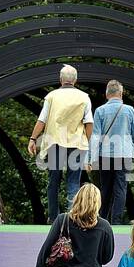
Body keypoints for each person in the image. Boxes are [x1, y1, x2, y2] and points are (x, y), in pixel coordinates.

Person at [28, 64, 94, 223]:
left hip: (55, 143)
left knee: (54, 181)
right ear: (75, 80)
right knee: (73, 182)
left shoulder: (51, 96)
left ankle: (53, 217)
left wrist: (32, 138)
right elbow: (89, 122)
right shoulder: (84, 97)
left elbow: (42, 120)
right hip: (77, 144)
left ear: (60, 79)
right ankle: (72, 218)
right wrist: (87, 141)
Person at [90, 79, 134, 225]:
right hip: (124, 154)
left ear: (107, 94)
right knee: (121, 187)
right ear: (121, 94)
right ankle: (116, 222)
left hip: (105, 155)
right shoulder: (129, 110)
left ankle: (102, 220)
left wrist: (92, 158)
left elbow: (95, 137)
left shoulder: (100, 111)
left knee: (105, 188)